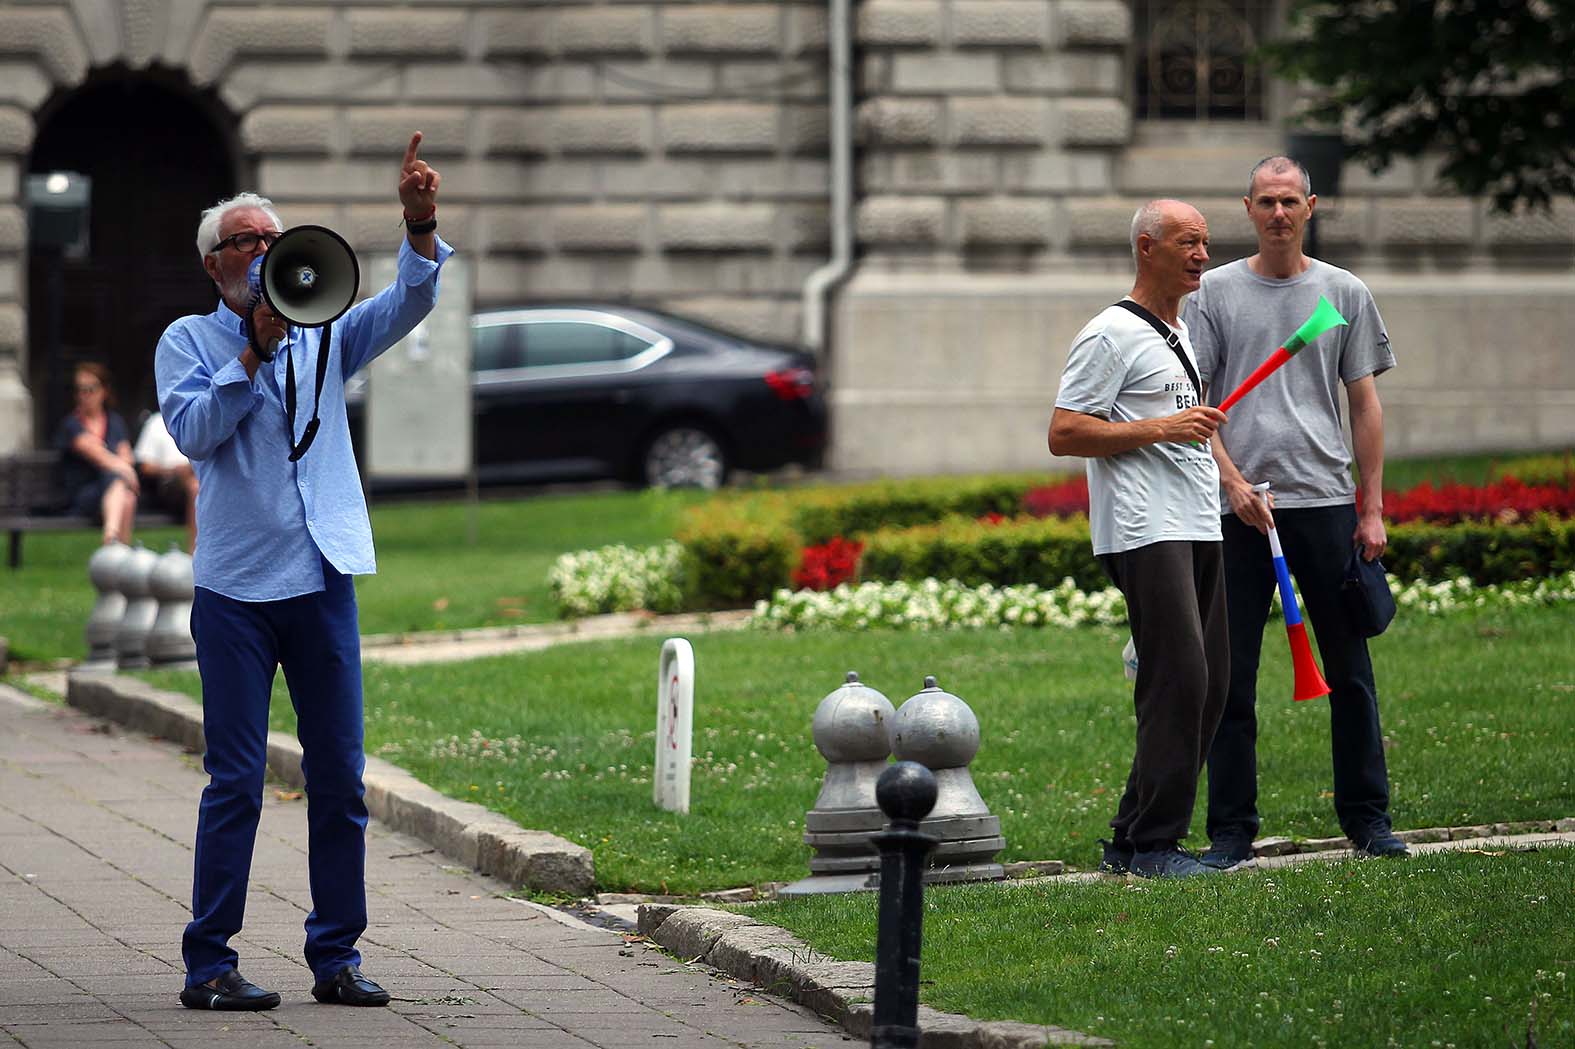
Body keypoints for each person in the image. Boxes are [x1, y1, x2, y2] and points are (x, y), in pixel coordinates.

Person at [155, 132, 448, 1011]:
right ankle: (209, 962)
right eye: (245, 240)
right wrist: (250, 353)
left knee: (339, 777)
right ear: (214, 264)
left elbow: (408, 302)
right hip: (236, 590)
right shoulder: (186, 339)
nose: (262, 252)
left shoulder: (324, 336)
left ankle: (337, 956)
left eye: (271, 239)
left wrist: (420, 222)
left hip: (321, 580)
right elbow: (192, 433)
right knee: (236, 779)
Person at [1184, 155, 1408, 868]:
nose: (1277, 213)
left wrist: (1368, 509)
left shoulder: (1343, 291)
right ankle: (1230, 831)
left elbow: (1363, 404)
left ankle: (1367, 820)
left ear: (1309, 206)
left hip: (1322, 506)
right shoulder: (1212, 294)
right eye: (1265, 202)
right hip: (1240, 511)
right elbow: (1197, 407)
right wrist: (1232, 486)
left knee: (1350, 672)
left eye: (1289, 201)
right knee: (1231, 678)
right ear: (1245, 209)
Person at [1049, 199, 1230, 879]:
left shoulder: (1174, 333)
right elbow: (1064, 431)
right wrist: (1158, 428)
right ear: (1146, 247)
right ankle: (1155, 844)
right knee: (1177, 678)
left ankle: (1132, 837)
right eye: (1187, 243)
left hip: (1195, 521)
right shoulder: (1108, 334)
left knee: (1209, 684)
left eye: (1205, 244)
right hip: (1143, 527)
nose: (1202, 256)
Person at [54, 361, 138, 545]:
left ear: (104, 391)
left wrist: (124, 468)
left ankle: (115, 548)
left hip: (112, 494)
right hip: (82, 496)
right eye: (79, 390)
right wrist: (127, 471)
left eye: (90, 389)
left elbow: (126, 456)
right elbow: (98, 456)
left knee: (127, 496)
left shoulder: (115, 422)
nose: (84, 395)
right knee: (118, 479)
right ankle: (113, 543)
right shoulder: (72, 424)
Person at [133, 410, 198, 550]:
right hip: (169, 483)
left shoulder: (201, 416)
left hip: (203, 476)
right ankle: (193, 552)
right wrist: (174, 470)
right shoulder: (157, 421)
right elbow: (145, 466)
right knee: (195, 487)